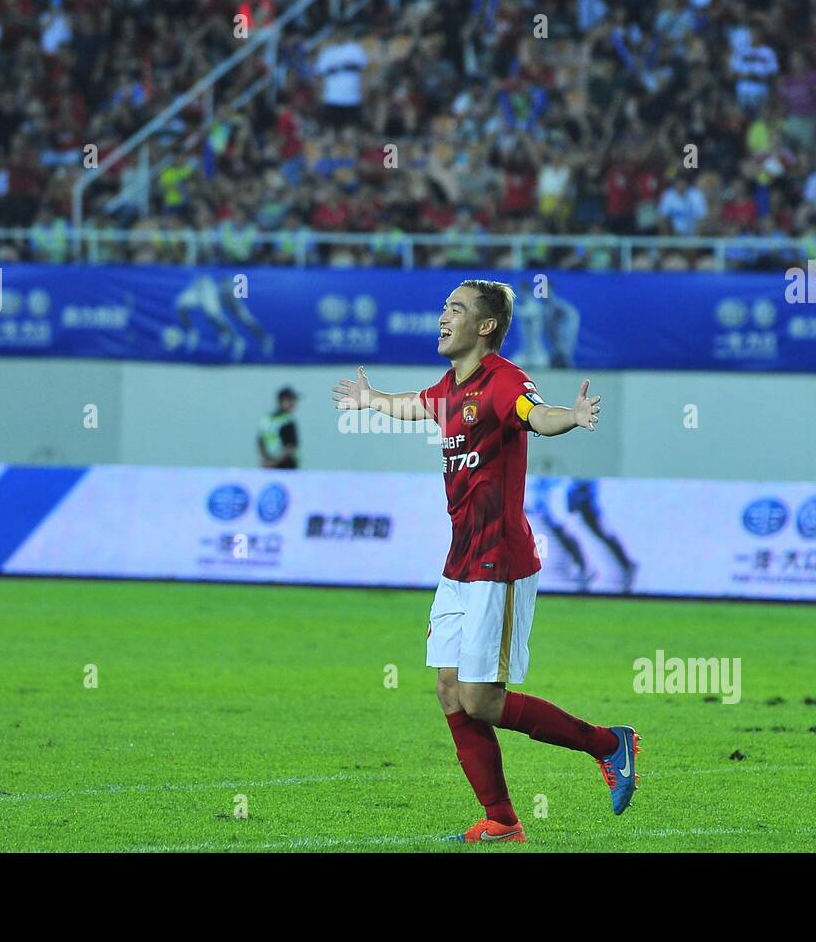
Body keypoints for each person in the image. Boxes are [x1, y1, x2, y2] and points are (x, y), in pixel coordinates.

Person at [331, 279, 639, 845]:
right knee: (449, 690)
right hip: (459, 564)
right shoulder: (452, 386)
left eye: (457, 309)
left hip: (500, 565)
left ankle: (608, 744)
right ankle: (502, 821)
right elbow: (416, 406)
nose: (443, 317)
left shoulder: (503, 382)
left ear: (487, 326)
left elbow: (535, 415)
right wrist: (371, 401)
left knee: (481, 699)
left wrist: (569, 415)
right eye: (444, 308)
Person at [258, 387, 299, 469]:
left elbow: (260, 443)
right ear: (281, 401)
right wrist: (273, 462)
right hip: (286, 467)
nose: (293, 404)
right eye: (290, 400)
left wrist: (265, 462)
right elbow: (290, 447)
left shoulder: (266, 419)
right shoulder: (287, 420)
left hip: (268, 466)